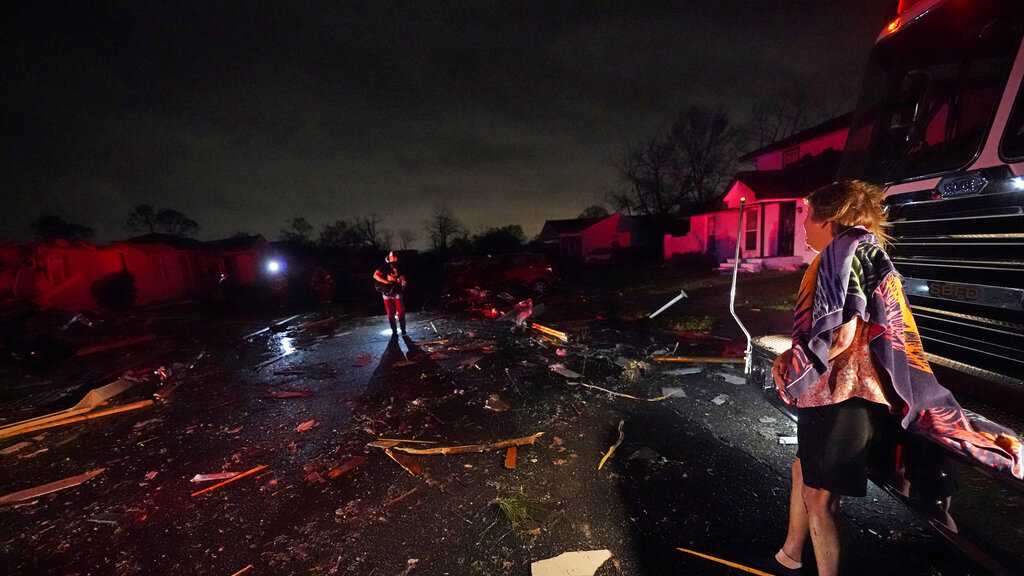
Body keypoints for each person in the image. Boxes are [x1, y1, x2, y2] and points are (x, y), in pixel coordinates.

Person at [373, 251, 407, 335]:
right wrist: (386, 282)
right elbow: (375, 275)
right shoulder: (384, 266)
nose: (395, 258)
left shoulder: (399, 265)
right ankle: (394, 331)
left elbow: (402, 277)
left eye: (396, 257)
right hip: (386, 292)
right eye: (393, 257)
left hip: (396, 291)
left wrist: (403, 282)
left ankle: (403, 330)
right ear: (390, 257)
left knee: (401, 311)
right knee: (390, 313)